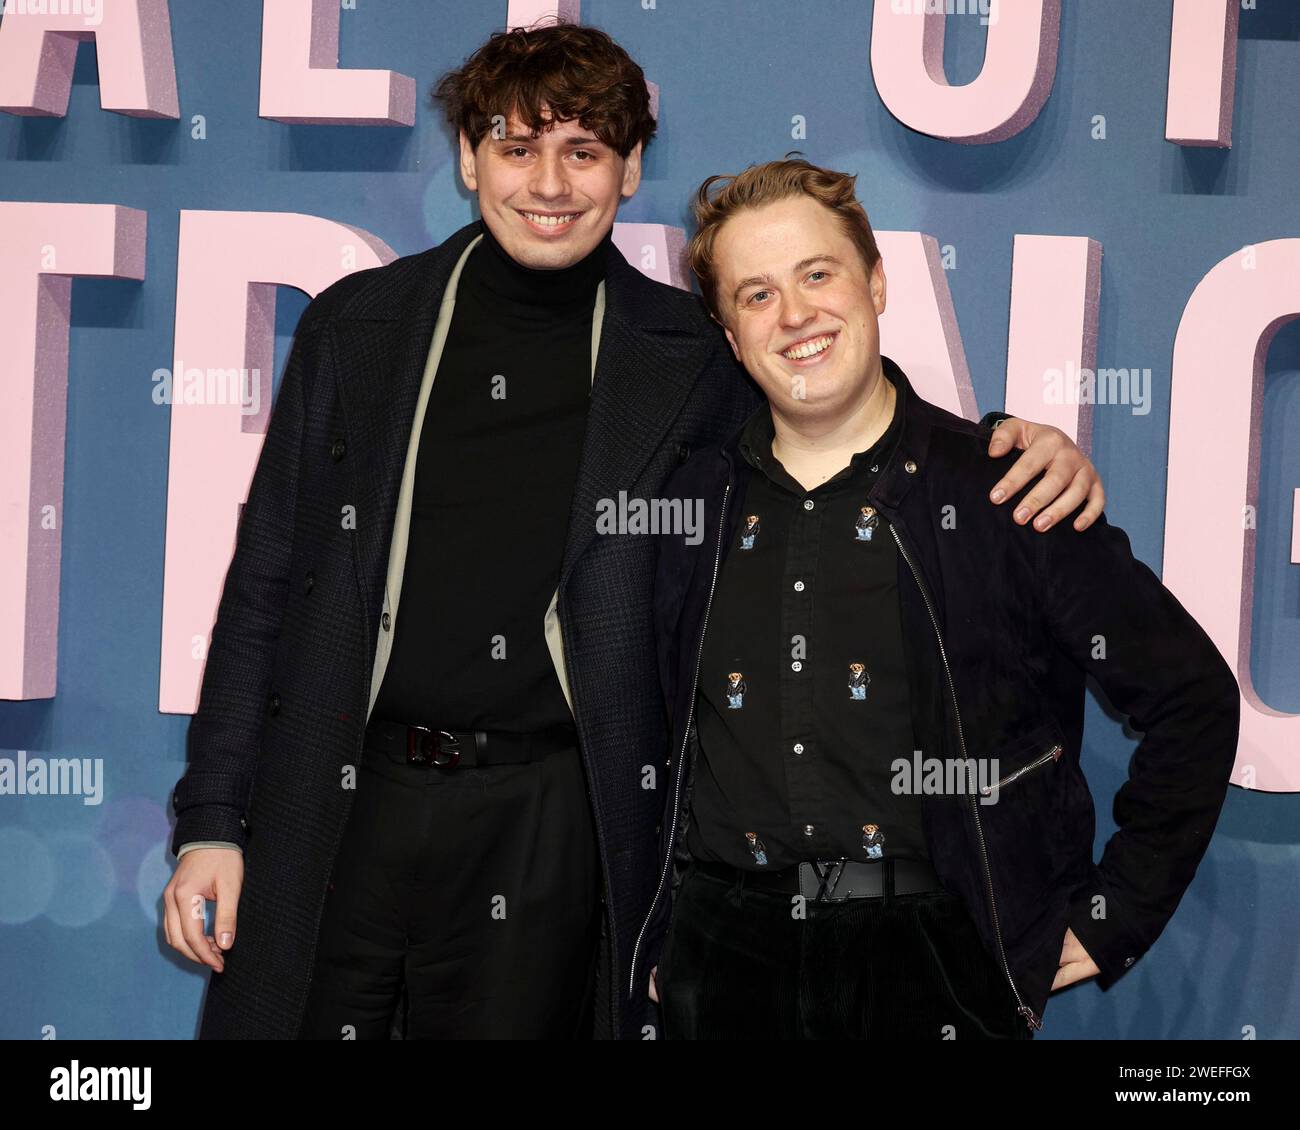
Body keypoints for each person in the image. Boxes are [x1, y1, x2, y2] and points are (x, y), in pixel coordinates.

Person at [162, 25, 1104, 1041]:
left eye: (584, 150)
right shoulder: (360, 329)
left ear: (629, 167)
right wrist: (213, 819)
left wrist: (1007, 439)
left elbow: (837, 413)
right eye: (516, 147)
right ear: (469, 158)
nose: (550, 182)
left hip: (550, 817)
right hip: (343, 791)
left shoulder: (690, 358)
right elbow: (264, 580)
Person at [645, 158, 1240, 1039]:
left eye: (818, 274)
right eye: (757, 295)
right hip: (724, 956)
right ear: (731, 336)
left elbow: (1192, 700)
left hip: (933, 967)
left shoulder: (1011, 493)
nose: (796, 314)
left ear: (877, 281)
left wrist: (1106, 922)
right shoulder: (686, 504)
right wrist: (667, 945)